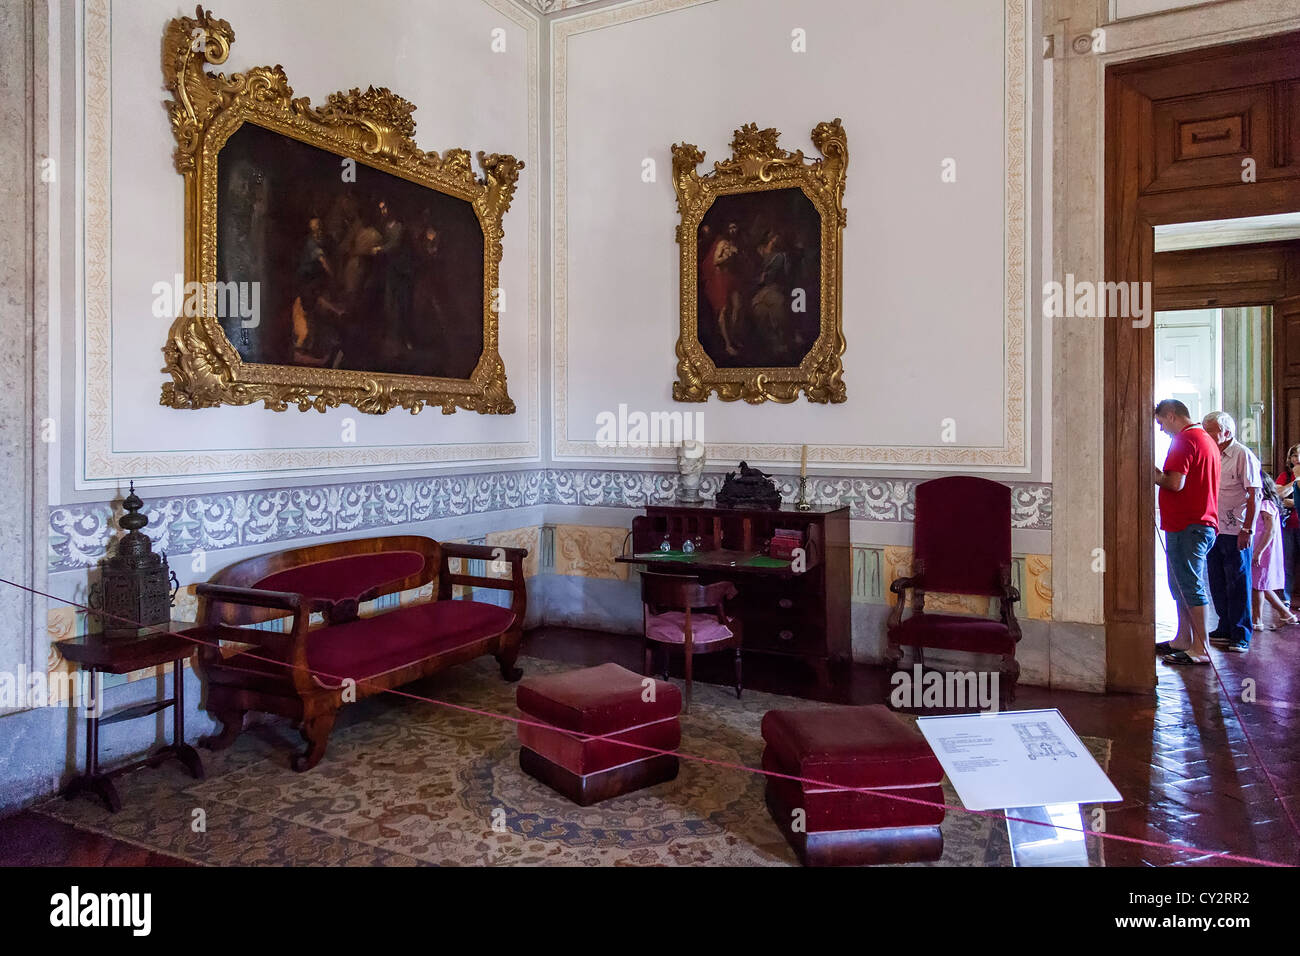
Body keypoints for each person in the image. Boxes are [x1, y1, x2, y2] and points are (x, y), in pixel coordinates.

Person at [1153, 400, 1220, 665]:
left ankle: (1201, 648)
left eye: (1161, 423)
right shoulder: (1203, 438)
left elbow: (1174, 483)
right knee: (1180, 583)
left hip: (1189, 523)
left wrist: (1152, 472)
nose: (1161, 430)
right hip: (1194, 523)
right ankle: (1183, 639)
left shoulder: (1185, 440)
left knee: (1190, 584)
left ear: (1171, 416)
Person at [1201, 411, 1260, 654]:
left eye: (1210, 429)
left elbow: (1255, 494)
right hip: (1213, 529)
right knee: (1216, 579)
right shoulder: (1210, 454)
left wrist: (1248, 529)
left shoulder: (1242, 455)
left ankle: (1240, 633)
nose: (1205, 434)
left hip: (1236, 530)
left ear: (1226, 431)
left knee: (1237, 581)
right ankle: (1224, 626)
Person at [1250, 471, 1298, 629]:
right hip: (1260, 548)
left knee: (1258, 585)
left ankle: (1257, 619)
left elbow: (1270, 530)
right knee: (1259, 584)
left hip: (1263, 549)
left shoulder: (1265, 505)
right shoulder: (1266, 504)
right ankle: (1286, 614)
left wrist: (1259, 551)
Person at [1276, 443, 1300, 608]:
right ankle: (1285, 598)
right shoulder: (1285, 477)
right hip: (1289, 526)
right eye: (1294, 455)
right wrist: (1296, 480)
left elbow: (1291, 502)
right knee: (1287, 563)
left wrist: (1293, 502)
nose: (1297, 459)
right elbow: (1278, 497)